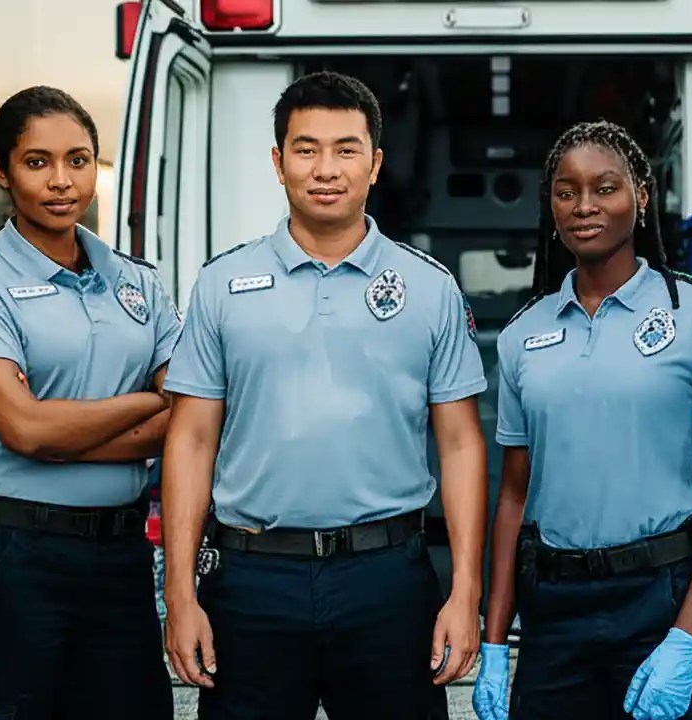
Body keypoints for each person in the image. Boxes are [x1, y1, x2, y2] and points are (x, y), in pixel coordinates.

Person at [160, 70, 489, 719]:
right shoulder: (223, 284)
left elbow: (459, 446)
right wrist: (180, 594)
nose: (326, 168)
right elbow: (190, 439)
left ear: (375, 164)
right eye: (307, 149)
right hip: (251, 581)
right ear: (279, 163)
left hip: (387, 580)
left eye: (346, 149)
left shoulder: (428, 289)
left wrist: (465, 591)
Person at [473, 120, 692, 720]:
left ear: (641, 196)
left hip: (662, 595)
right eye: (566, 191)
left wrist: (687, 637)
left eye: (605, 188)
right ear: (550, 208)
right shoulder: (524, 333)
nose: (584, 206)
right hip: (553, 607)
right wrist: (495, 640)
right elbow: (513, 496)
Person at [0, 86, 179, 718]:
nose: (62, 181)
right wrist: (143, 402)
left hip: (120, 556)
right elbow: (26, 430)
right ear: (1, 169)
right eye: (37, 162)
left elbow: (188, 413)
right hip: (13, 554)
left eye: (79, 160)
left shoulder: (139, 281)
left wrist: (70, 434)